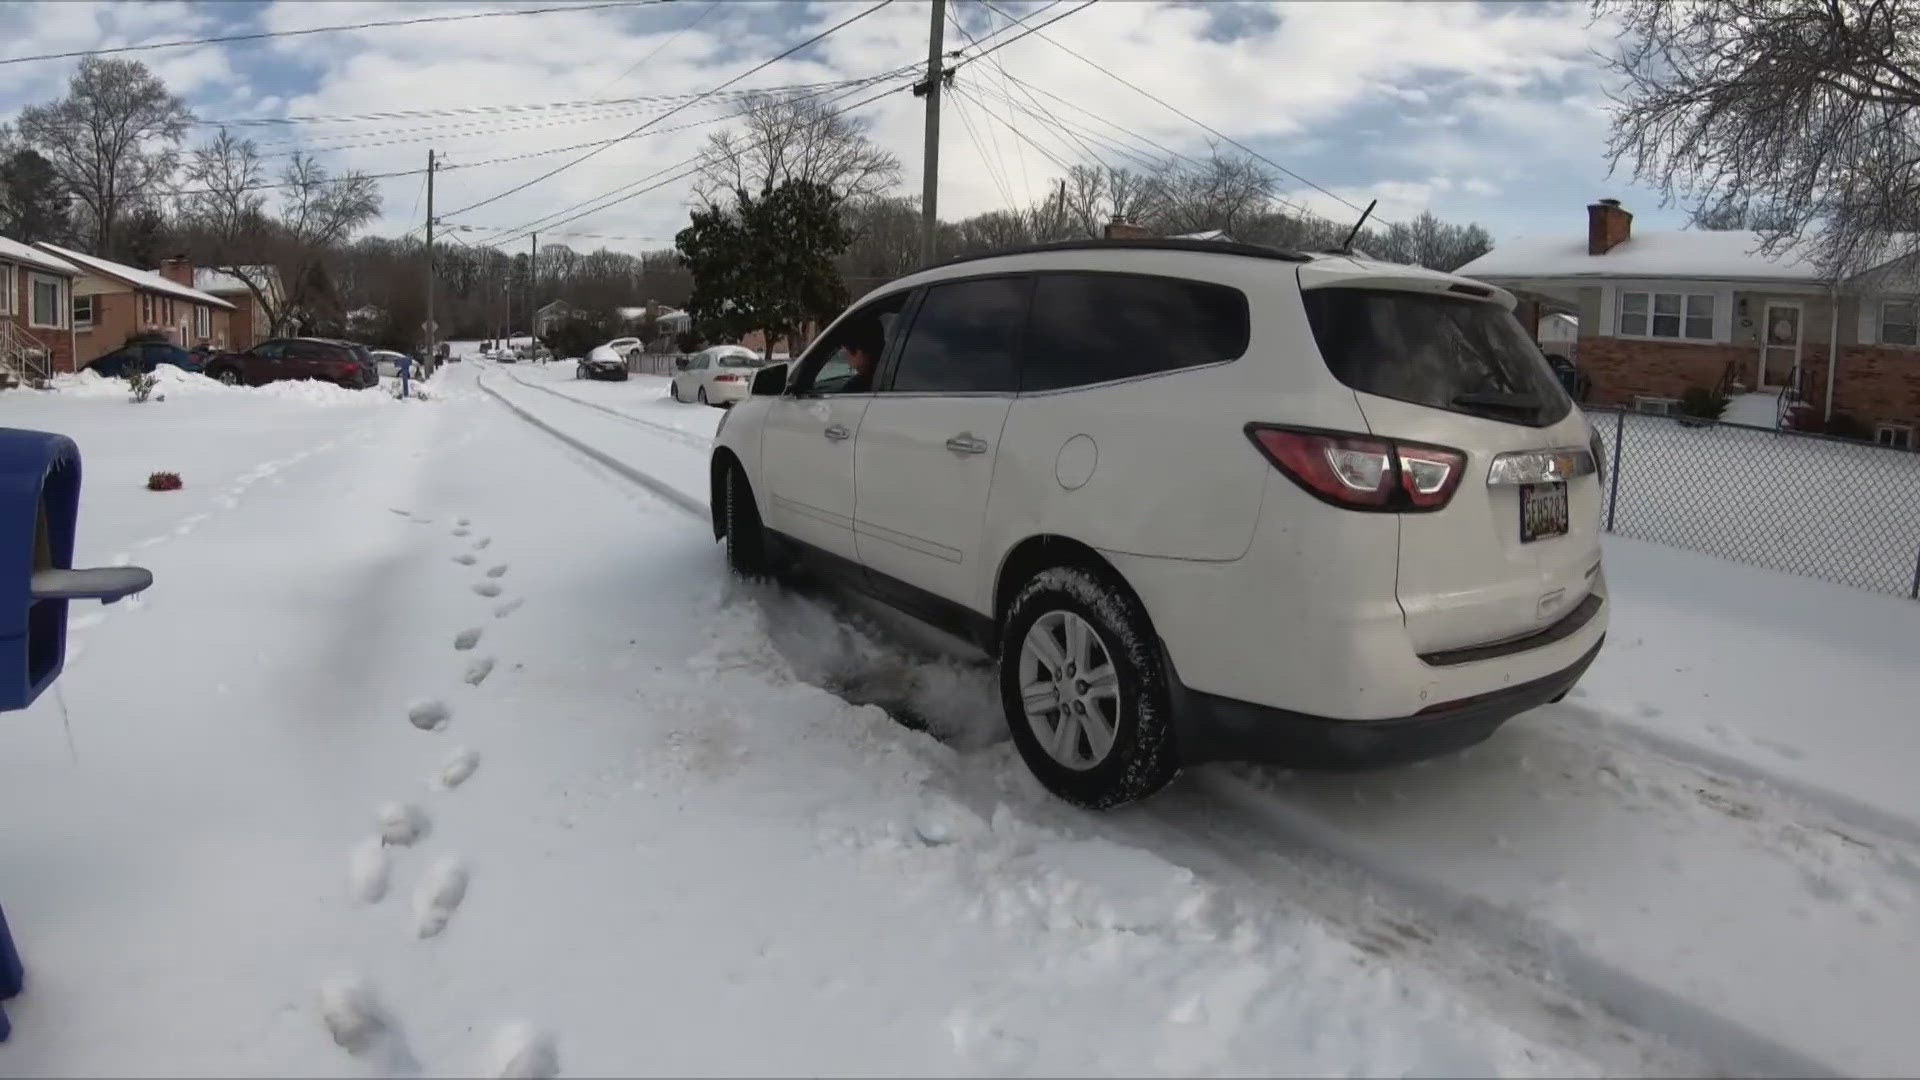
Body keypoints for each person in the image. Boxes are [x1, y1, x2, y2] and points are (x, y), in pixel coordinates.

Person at [838, 319, 887, 393]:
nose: (848, 361)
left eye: (845, 353)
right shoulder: (895, 376)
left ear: (858, 352)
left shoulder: (855, 388)